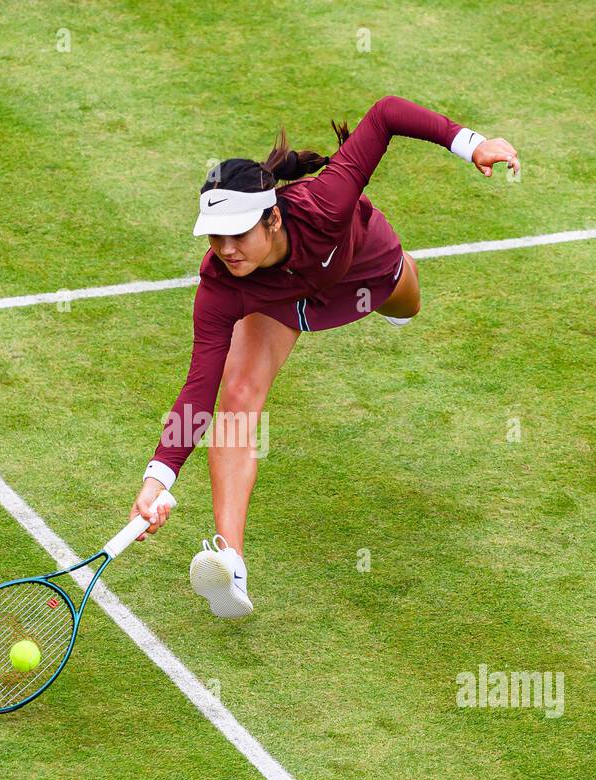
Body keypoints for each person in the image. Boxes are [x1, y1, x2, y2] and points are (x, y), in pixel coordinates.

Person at [129, 95, 519, 618]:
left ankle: (402, 287)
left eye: (237, 233)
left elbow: (385, 114)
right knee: (237, 396)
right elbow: (197, 388)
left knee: (408, 301)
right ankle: (230, 561)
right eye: (215, 236)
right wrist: (157, 480)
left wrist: (473, 144)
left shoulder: (326, 203)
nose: (225, 247)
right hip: (280, 301)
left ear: (270, 219)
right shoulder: (222, 281)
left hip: (365, 272)